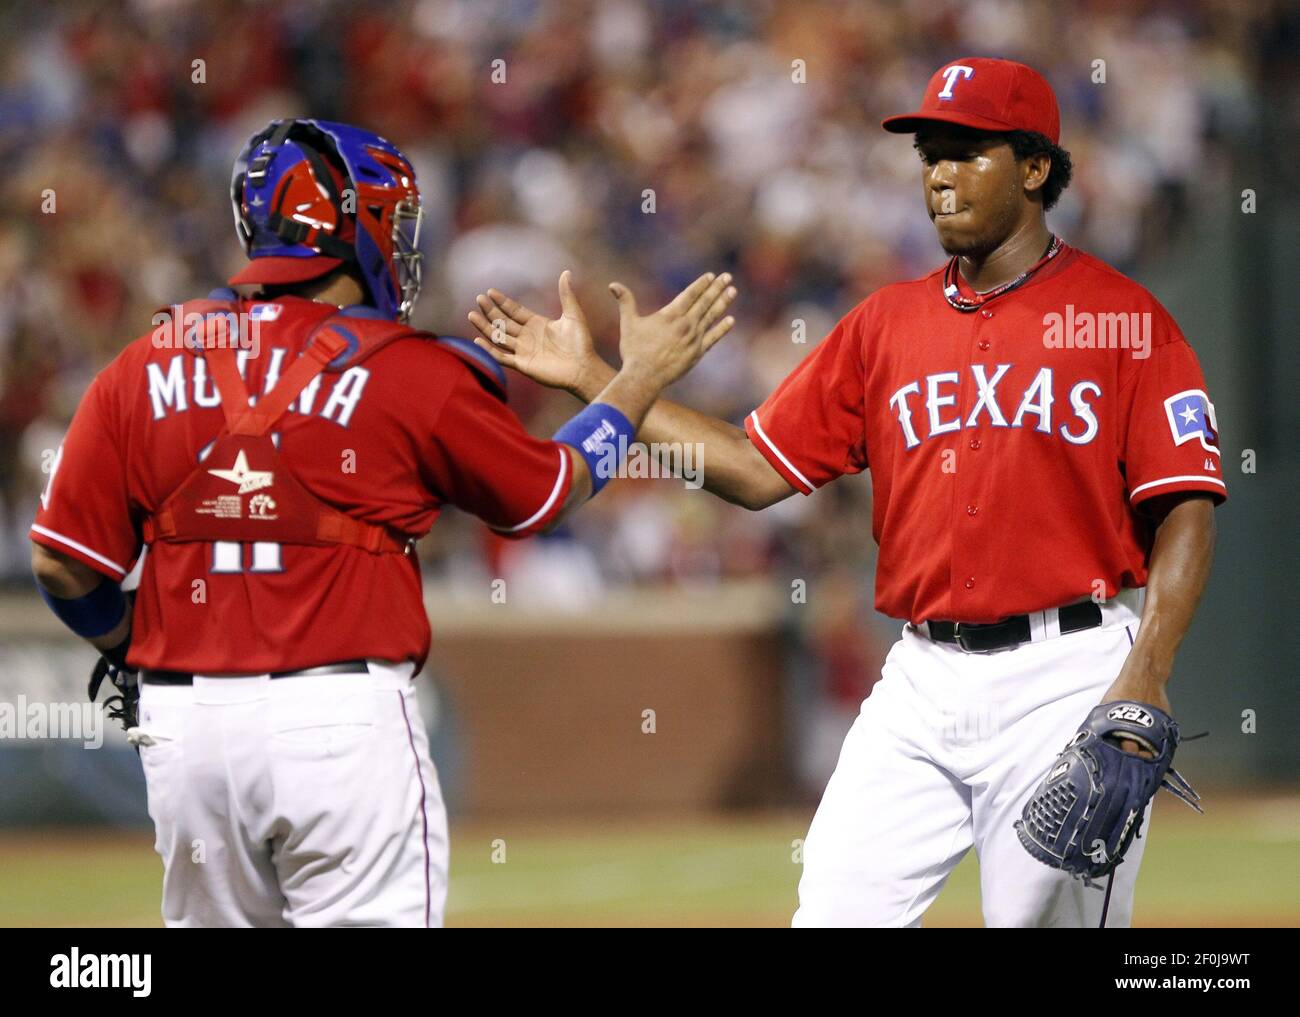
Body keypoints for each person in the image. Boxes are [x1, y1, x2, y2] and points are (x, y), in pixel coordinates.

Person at [468, 58, 1225, 927]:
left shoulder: (1121, 318)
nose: (938, 174)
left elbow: (1186, 508)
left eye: (966, 151)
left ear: (1036, 167)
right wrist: (607, 384)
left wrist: (1147, 673)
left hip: (1069, 672)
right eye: (929, 153)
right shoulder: (884, 324)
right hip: (921, 676)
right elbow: (756, 470)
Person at [29, 117, 735, 928]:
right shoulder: (405, 367)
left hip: (183, 728)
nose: (400, 243)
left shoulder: (143, 360)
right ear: (346, 224)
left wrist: (129, 650)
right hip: (336, 724)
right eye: (391, 220)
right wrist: (632, 380)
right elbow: (543, 495)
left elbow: (62, 566)